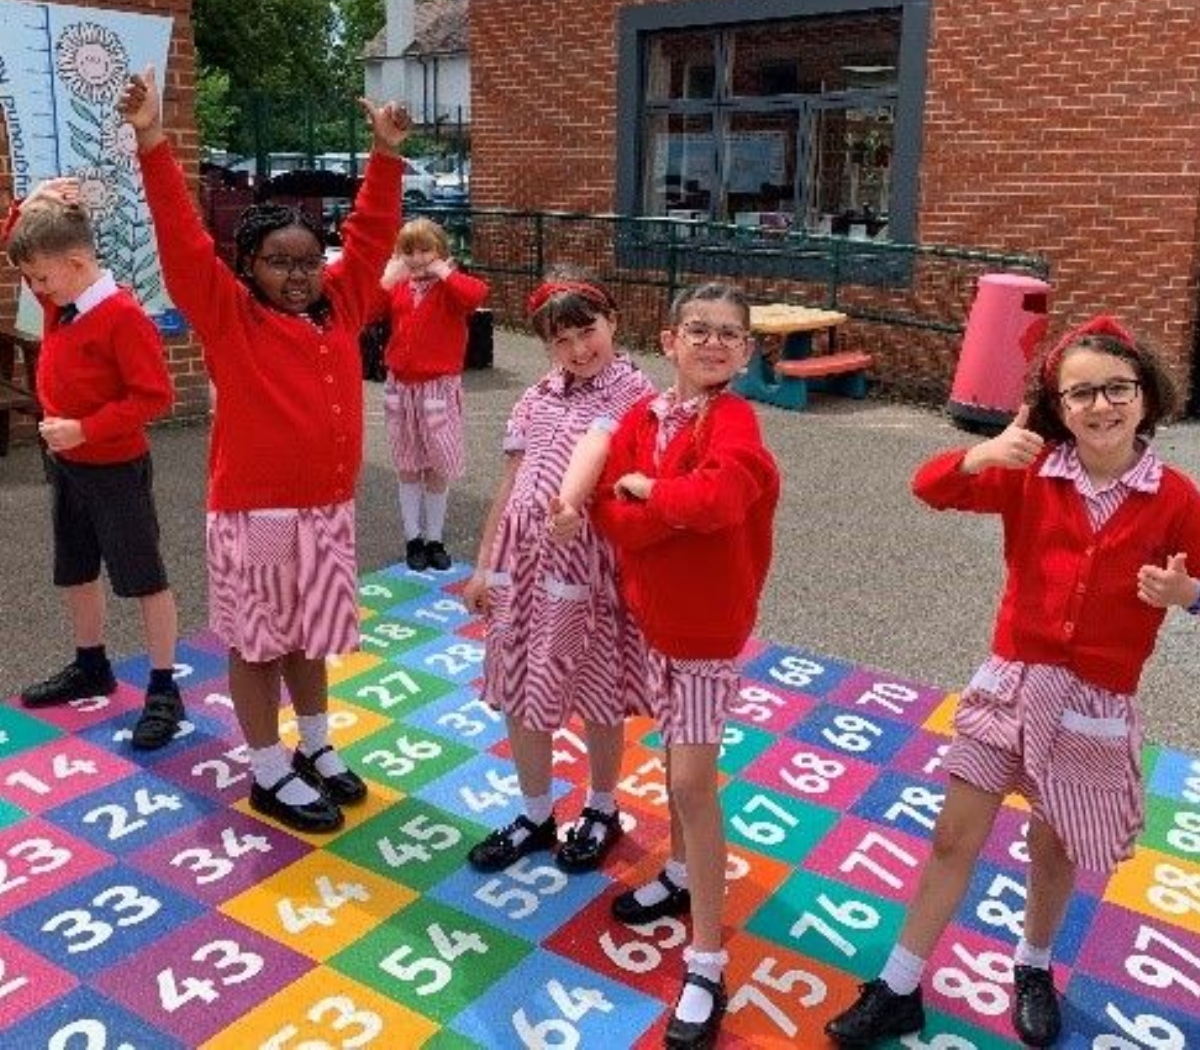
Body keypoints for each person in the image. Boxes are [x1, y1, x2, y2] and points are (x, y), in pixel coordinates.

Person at [825, 314, 1200, 1050]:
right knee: (952, 838)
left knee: (1054, 848)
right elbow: (927, 486)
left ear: (1147, 397)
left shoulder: (1177, 497)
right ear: (1057, 408)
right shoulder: (1031, 471)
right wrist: (982, 454)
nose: (1100, 406)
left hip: (1095, 701)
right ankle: (900, 985)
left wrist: (1185, 597)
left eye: (1116, 389)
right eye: (1080, 393)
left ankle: (1032, 965)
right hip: (1010, 684)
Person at [117, 66, 410, 834]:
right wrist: (152, 139)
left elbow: (372, 237)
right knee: (259, 644)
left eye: (308, 260)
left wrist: (385, 156)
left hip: (326, 511)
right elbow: (182, 242)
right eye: (278, 261)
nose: (296, 273)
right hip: (258, 515)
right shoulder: (230, 319)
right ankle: (268, 765)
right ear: (248, 267)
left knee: (309, 636)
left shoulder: (341, 309)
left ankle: (315, 742)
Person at [588, 282, 780, 1050]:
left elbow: (721, 500)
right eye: (697, 329)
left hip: (706, 632)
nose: (711, 343)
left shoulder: (736, 419)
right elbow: (611, 510)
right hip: (655, 621)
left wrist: (652, 498)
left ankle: (706, 960)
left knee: (695, 785)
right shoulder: (644, 416)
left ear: (747, 351)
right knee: (674, 768)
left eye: (728, 334)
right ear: (669, 341)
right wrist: (657, 503)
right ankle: (677, 871)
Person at [462, 267, 654, 875]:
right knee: (521, 688)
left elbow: (612, 461)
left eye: (586, 331)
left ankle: (600, 806)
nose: (577, 349)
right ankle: (537, 811)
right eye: (560, 340)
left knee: (598, 691)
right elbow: (511, 483)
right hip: (521, 567)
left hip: (589, 566)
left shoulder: (636, 395)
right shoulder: (537, 396)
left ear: (612, 322)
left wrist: (577, 506)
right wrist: (483, 565)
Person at [2, 182, 185, 750]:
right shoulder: (66, 297)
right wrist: (26, 205)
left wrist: (85, 428)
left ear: (78, 263)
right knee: (76, 569)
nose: (37, 292)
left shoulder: (122, 316)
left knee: (143, 578)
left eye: (41, 280)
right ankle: (91, 664)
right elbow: (24, 242)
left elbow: (155, 397)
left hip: (114, 467)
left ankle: (163, 687)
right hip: (68, 466)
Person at [374, 216, 489, 572]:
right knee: (408, 465)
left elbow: (474, 295)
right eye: (409, 251)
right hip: (401, 386)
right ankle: (413, 538)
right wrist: (386, 280)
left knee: (438, 466)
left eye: (426, 249)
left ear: (440, 251)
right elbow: (364, 312)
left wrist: (444, 272)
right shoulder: (399, 286)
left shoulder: (450, 286)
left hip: (438, 387)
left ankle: (435, 538)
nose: (418, 258)